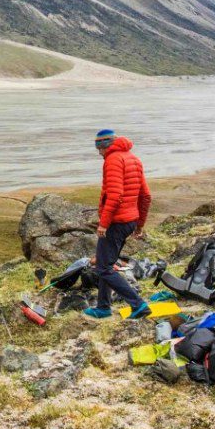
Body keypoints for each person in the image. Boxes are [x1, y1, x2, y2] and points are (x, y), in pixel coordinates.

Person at [84, 128, 151, 319]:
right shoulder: (133, 159)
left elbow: (115, 195)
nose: (99, 153)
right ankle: (103, 307)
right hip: (129, 221)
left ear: (105, 146)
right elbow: (145, 195)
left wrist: (103, 224)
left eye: (99, 148)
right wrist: (139, 224)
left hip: (116, 222)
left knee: (103, 268)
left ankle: (137, 304)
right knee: (107, 264)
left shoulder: (113, 160)